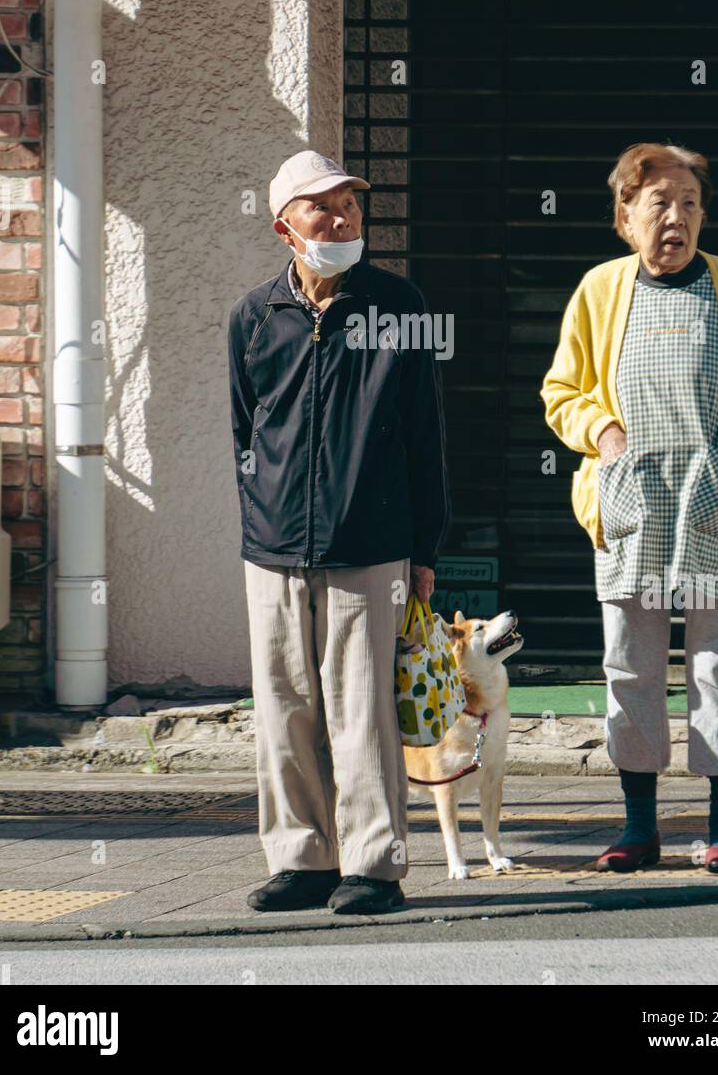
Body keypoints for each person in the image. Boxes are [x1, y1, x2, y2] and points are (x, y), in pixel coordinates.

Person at [540, 142, 718, 874]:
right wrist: (604, 432)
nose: (677, 218)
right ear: (624, 214)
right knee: (631, 669)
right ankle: (638, 828)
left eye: (690, 203)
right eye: (659, 202)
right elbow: (560, 392)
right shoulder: (599, 290)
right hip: (631, 511)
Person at [227, 150, 450, 915]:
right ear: (285, 225)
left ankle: (375, 865)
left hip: (372, 543)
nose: (342, 217)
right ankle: (302, 859)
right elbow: (243, 431)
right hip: (275, 546)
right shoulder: (255, 317)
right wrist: (260, 513)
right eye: (322, 206)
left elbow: (426, 437)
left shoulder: (399, 306)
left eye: (351, 205)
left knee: (363, 711)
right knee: (284, 710)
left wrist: (424, 549)